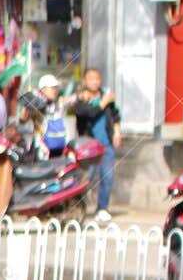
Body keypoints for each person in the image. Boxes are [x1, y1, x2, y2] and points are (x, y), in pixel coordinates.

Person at [69, 68, 121, 221]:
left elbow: (115, 115)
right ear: (85, 81)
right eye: (91, 79)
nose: (95, 82)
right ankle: (78, 207)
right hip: (88, 147)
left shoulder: (106, 97)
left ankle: (102, 208)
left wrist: (117, 132)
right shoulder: (81, 100)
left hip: (106, 144)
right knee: (86, 178)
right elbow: (90, 113)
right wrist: (103, 102)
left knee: (107, 177)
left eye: (97, 79)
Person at [35, 74, 69, 156]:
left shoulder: (59, 104)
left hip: (59, 148)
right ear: (43, 90)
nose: (55, 90)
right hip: (43, 149)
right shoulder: (36, 104)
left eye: (56, 88)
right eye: (52, 88)